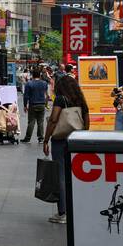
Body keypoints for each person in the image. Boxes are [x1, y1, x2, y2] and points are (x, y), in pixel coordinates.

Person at [42, 70, 90, 224]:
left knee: (61, 176)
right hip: (76, 140)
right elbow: (87, 118)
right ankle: (77, 209)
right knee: (74, 176)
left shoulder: (61, 99)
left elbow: (54, 119)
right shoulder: (80, 99)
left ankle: (62, 212)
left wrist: (46, 139)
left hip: (61, 141)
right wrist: (83, 134)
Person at [22, 67, 49, 142]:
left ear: (32, 75)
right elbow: (47, 95)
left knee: (31, 122)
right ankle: (41, 138)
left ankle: (27, 138)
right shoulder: (44, 83)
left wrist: (25, 105)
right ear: (40, 75)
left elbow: (26, 96)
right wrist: (46, 104)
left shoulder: (29, 84)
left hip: (32, 104)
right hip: (42, 104)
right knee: (40, 122)